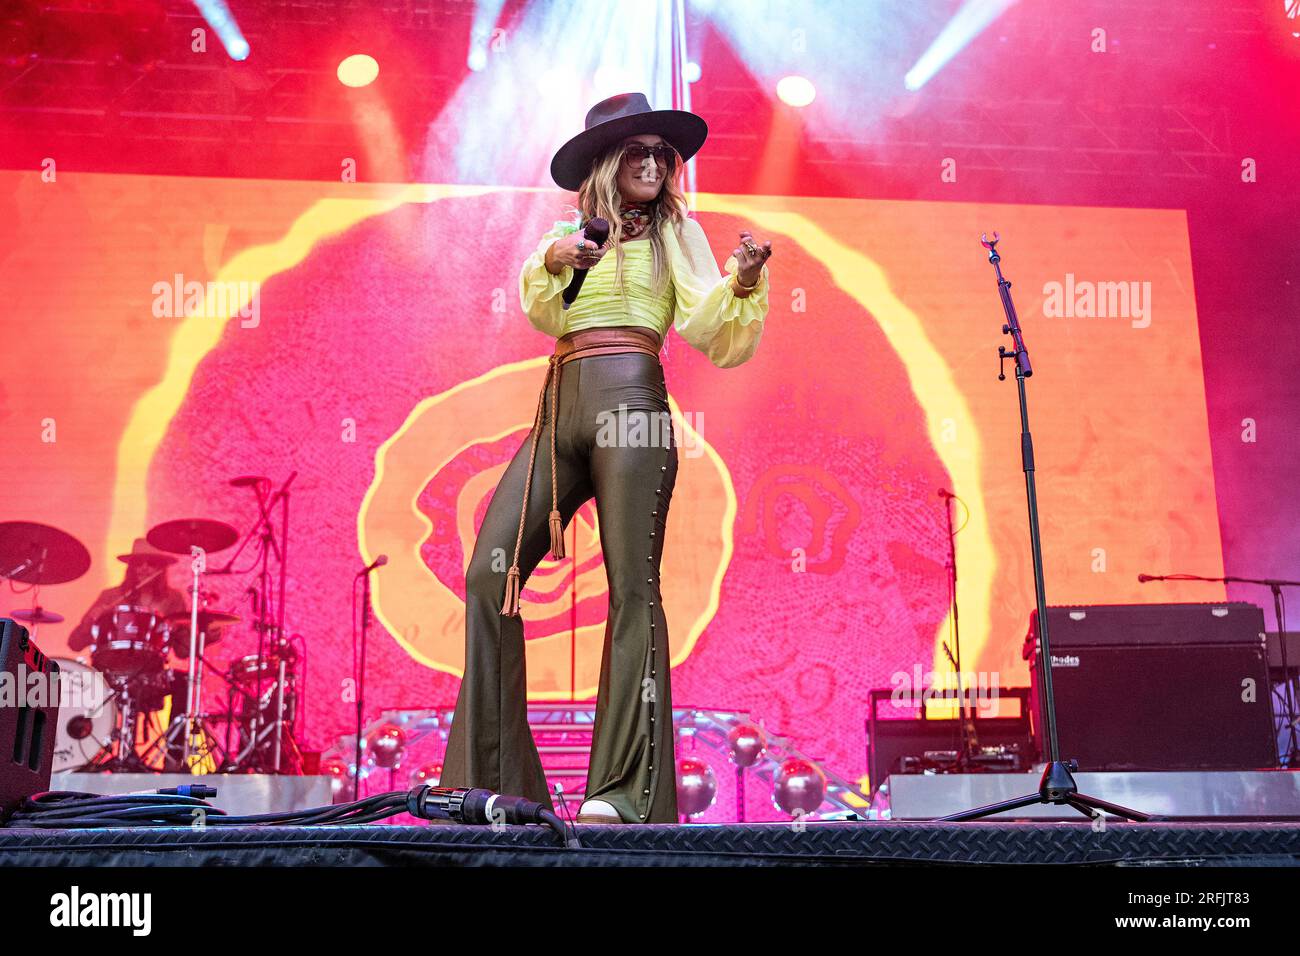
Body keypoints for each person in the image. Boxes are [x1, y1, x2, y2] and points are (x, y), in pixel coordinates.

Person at [440, 92, 774, 824]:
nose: (654, 163)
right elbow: (546, 313)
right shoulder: (569, 236)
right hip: (561, 403)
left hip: (632, 403)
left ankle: (622, 791)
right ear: (605, 165)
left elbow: (708, 325)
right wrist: (558, 258)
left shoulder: (675, 234)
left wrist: (743, 280)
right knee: (488, 572)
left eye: (663, 154)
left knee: (632, 590)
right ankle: (497, 785)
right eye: (638, 153)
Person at [68, 538, 188, 652]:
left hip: (152, 667)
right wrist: (90, 622)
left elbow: (183, 652)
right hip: (111, 665)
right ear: (131, 567)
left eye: (152, 563)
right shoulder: (110, 596)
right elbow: (75, 644)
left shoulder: (174, 598)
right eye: (138, 563)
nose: (144, 568)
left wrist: (200, 633)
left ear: (161, 568)